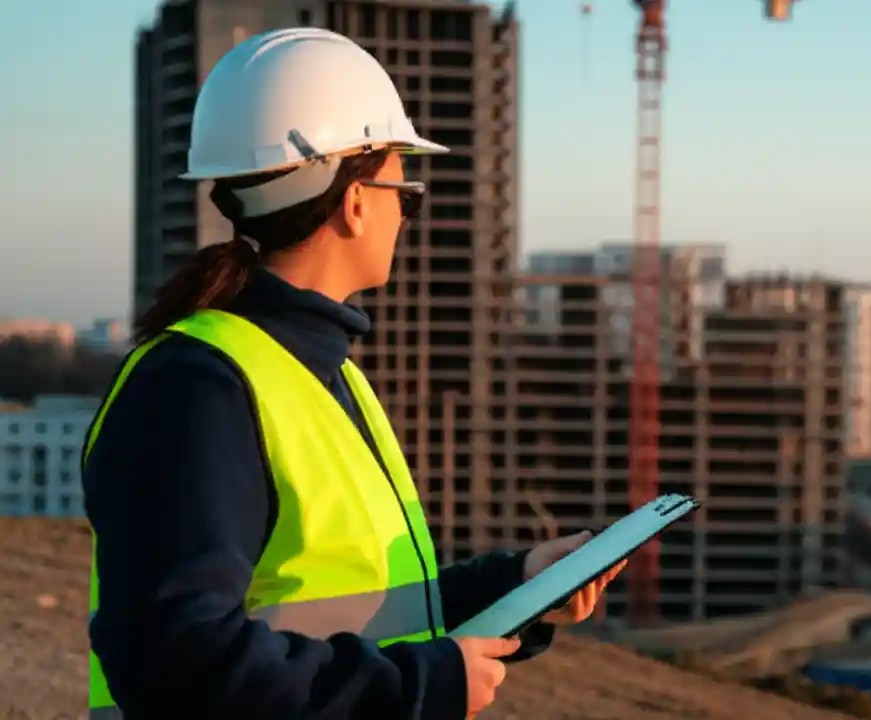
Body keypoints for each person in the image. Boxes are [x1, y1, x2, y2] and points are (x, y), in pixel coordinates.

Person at [82, 27, 622, 720]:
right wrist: (416, 687)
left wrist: (516, 584)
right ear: (356, 200)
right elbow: (174, 661)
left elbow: (362, 610)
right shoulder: (196, 390)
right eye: (407, 191)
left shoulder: (314, 374)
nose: (407, 214)